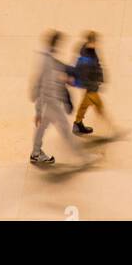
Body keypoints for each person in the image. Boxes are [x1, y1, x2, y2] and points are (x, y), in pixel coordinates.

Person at [30, 31, 98, 169]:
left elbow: (43, 80)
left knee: (42, 126)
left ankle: (36, 153)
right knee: (65, 131)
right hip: (52, 102)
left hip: (48, 102)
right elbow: (44, 84)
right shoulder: (47, 61)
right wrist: (38, 109)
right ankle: (85, 158)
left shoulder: (45, 58)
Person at [71, 31, 123, 137]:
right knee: (100, 107)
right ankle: (112, 130)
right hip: (91, 87)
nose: (96, 44)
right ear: (90, 41)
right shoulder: (86, 57)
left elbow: (98, 65)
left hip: (92, 85)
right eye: (94, 41)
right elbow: (85, 74)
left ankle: (78, 124)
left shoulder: (91, 51)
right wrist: (93, 85)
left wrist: (100, 78)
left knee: (84, 105)